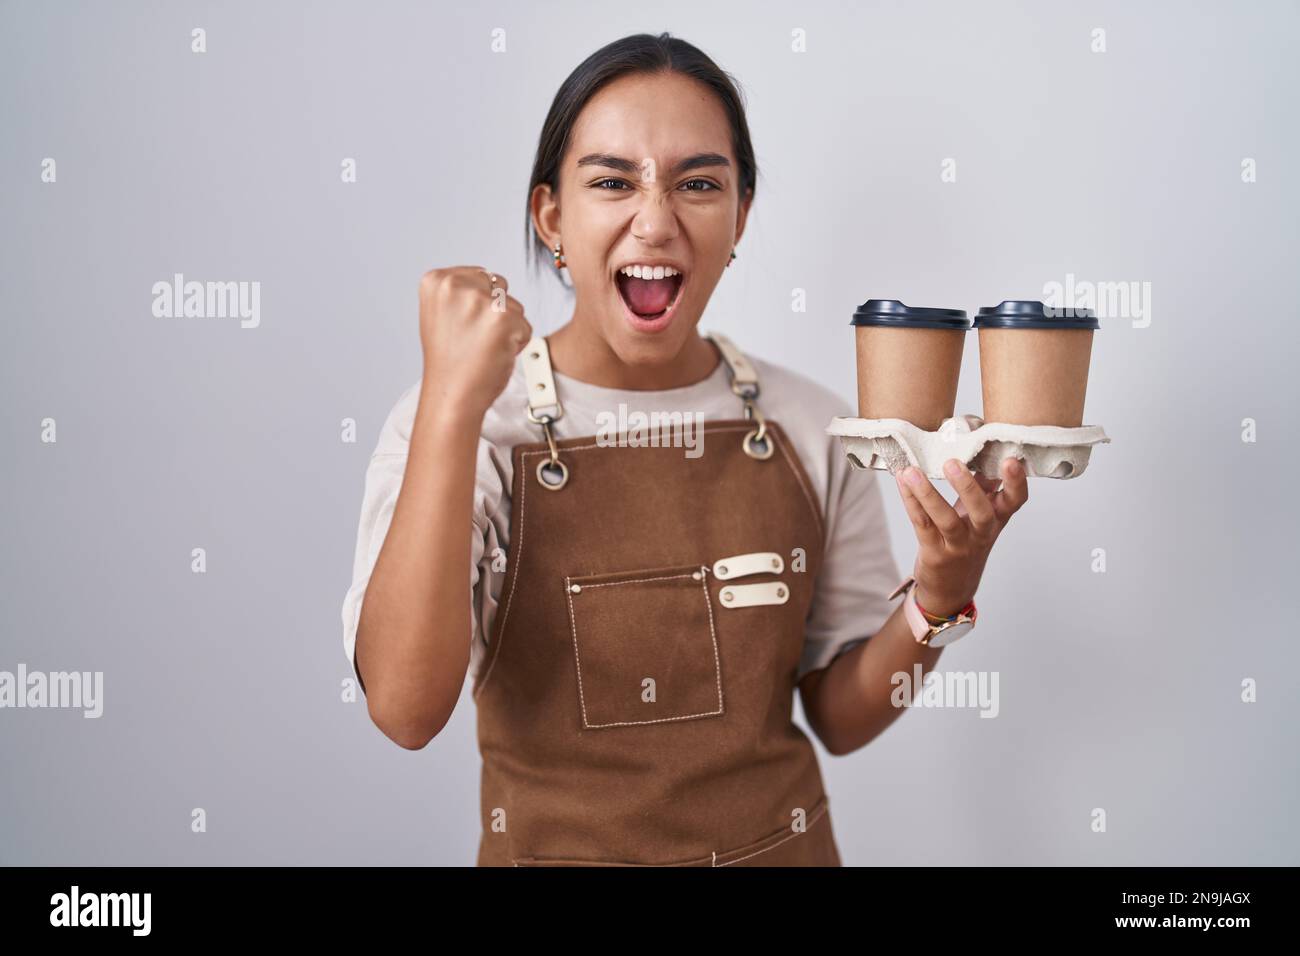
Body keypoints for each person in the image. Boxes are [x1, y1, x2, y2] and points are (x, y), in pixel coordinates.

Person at [341, 32, 1028, 867]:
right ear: (552, 216)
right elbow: (406, 713)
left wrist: (939, 597)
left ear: (739, 215)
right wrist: (452, 401)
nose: (656, 221)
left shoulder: (810, 423)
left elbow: (843, 718)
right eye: (612, 182)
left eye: (699, 183)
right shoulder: (466, 424)